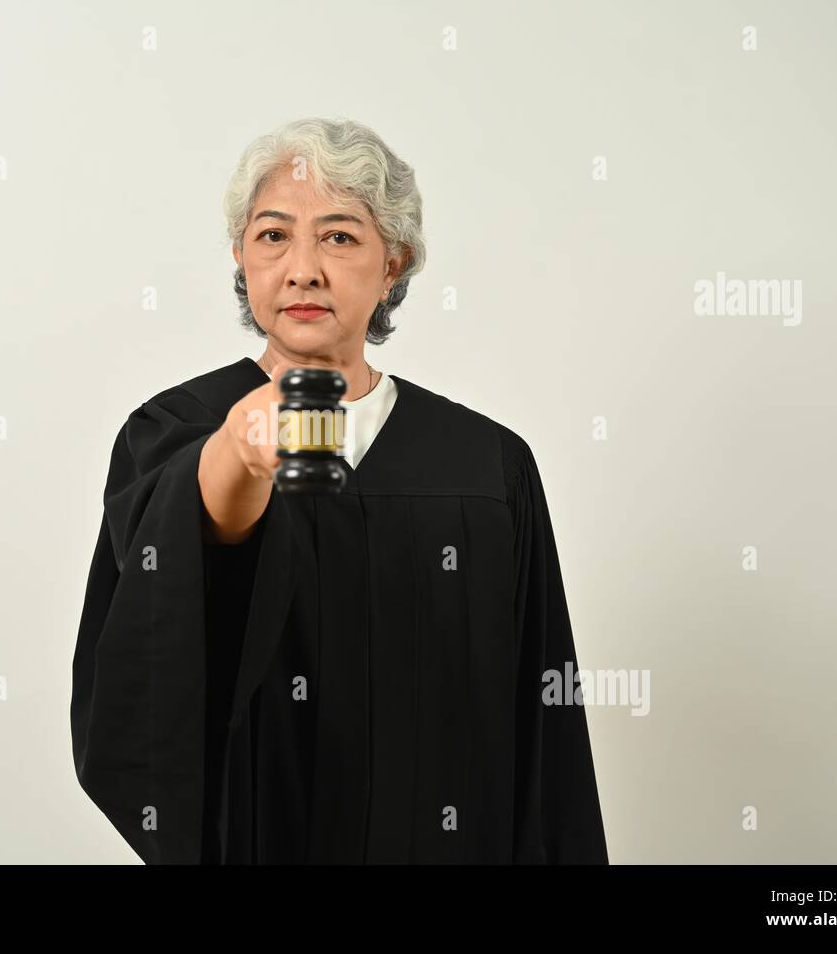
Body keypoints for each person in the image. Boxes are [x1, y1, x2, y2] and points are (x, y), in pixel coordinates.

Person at [71, 117, 609, 864]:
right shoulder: (173, 435)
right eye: (272, 236)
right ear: (239, 257)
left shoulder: (488, 468)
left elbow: (545, 749)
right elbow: (169, 616)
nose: (302, 270)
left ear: (396, 262)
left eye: (339, 237)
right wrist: (241, 450)